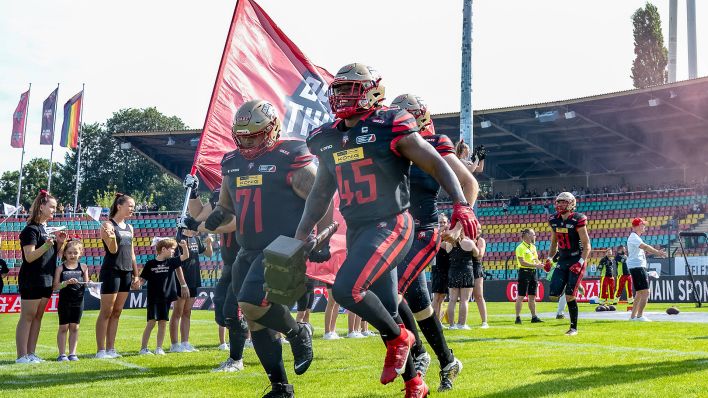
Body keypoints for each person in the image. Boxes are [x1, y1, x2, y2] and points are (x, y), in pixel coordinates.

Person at [294, 63, 478, 397]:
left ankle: (402, 339)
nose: (342, 96)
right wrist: (302, 232)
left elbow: (437, 163)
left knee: (346, 290)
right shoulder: (327, 136)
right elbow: (321, 191)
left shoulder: (390, 124)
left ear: (373, 92)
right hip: (359, 228)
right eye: (339, 89)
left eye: (352, 88)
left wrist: (461, 205)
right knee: (388, 306)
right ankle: (415, 383)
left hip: (395, 223)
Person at [202, 99, 332, 397]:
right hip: (247, 248)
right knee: (254, 319)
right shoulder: (232, 162)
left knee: (249, 302)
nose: (248, 141)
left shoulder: (290, 156)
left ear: (271, 130)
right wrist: (209, 220)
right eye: (243, 136)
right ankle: (280, 387)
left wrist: (319, 236)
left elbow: (321, 195)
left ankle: (298, 331)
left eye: (254, 135)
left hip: (284, 244)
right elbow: (227, 208)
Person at [390, 94, 476, 389]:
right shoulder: (389, 145)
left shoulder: (435, 143)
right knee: (421, 307)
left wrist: (458, 225)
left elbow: (469, 182)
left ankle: (417, 353)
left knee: (391, 295)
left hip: (423, 230)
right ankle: (448, 361)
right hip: (393, 231)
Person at [184, 187, 247, 371]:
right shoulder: (221, 192)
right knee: (221, 307)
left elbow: (234, 223)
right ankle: (289, 332)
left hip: (246, 258)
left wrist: (198, 227)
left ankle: (236, 360)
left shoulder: (244, 188)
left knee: (232, 310)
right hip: (229, 263)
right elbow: (199, 214)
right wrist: (194, 193)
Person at [16, 190, 67, 363]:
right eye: (51, 207)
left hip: (46, 278)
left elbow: (52, 256)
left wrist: (59, 244)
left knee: (38, 317)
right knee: (27, 317)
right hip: (32, 279)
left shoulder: (47, 230)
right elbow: (29, 257)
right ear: (41, 206)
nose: (54, 210)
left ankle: (31, 353)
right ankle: (21, 356)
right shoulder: (30, 229)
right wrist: (46, 246)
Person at [96, 193, 139, 359]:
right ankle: (101, 350)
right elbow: (113, 250)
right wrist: (111, 237)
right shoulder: (107, 225)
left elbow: (132, 253)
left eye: (133, 207)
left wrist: (136, 274)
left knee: (118, 311)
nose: (132, 209)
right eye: (130, 206)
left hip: (127, 271)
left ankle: (111, 348)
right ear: (119, 206)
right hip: (111, 270)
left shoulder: (130, 227)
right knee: (106, 311)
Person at [544, 192, 592, 336]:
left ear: (571, 204)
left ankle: (573, 328)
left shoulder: (578, 219)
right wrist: (549, 258)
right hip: (563, 259)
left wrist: (581, 262)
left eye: (564, 202)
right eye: (559, 202)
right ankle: (574, 282)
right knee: (553, 294)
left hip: (576, 259)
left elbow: (587, 244)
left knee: (570, 295)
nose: (560, 205)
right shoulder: (553, 220)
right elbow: (554, 242)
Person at [138, 238, 190, 355]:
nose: (173, 252)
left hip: (166, 299)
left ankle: (159, 348)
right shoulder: (150, 264)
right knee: (151, 322)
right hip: (153, 298)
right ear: (163, 249)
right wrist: (137, 283)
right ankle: (143, 348)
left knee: (162, 322)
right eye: (171, 249)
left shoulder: (171, 262)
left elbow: (185, 256)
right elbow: (142, 280)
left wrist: (185, 246)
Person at [169, 229, 212, 353]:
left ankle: (185, 343)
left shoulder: (196, 239)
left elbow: (209, 254)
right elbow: (177, 265)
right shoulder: (178, 240)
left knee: (187, 312)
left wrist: (209, 243)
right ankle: (174, 344)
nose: (197, 229)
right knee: (177, 312)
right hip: (181, 281)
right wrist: (182, 284)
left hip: (194, 279)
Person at [53, 238, 90, 361]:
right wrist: (66, 283)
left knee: (75, 327)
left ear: (80, 253)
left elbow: (87, 284)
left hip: (78, 301)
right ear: (64, 254)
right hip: (65, 302)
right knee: (63, 327)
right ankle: (62, 354)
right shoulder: (60, 268)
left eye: (75, 252)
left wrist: (91, 284)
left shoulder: (83, 267)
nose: (72, 255)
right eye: (69, 253)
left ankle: (73, 353)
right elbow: (55, 286)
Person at [627, 218, 667, 321]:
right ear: (636, 226)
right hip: (637, 266)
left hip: (636, 266)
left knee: (640, 293)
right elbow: (645, 247)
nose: (644, 226)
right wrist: (658, 252)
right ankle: (640, 316)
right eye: (642, 225)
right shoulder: (634, 237)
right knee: (646, 292)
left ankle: (633, 317)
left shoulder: (634, 237)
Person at [514, 228, 543, 324]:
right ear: (527, 235)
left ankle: (534, 317)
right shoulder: (520, 247)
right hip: (524, 272)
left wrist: (541, 264)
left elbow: (536, 260)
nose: (535, 236)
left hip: (533, 273)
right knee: (521, 296)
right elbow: (522, 262)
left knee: (532, 296)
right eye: (533, 234)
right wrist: (536, 265)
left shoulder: (533, 247)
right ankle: (517, 317)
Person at [431, 215, 451, 321]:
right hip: (438, 268)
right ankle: (433, 321)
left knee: (442, 296)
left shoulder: (449, 235)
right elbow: (446, 247)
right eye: (440, 222)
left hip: (447, 268)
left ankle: (438, 320)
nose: (442, 224)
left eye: (444, 222)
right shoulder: (435, 235)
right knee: (437, 296)